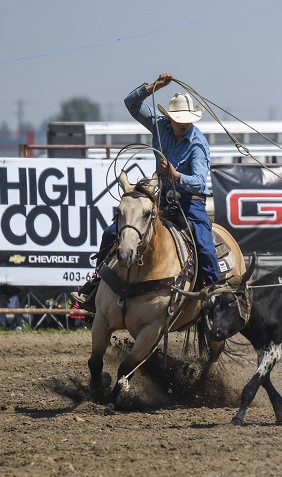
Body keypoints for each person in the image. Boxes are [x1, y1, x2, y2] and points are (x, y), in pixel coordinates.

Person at [72, 74, 219, 311]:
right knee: (113, 232)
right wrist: (151, 88)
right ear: (169, 117)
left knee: (204, 245)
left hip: (191, 203)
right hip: (161, 199)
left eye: (187, 120)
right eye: (179, 119)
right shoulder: (160, 126)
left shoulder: (198, 144)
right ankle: (97, 284)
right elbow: (131, 103)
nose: (184, 124)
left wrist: (175, 175)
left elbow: (200, 182)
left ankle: (215, 297)